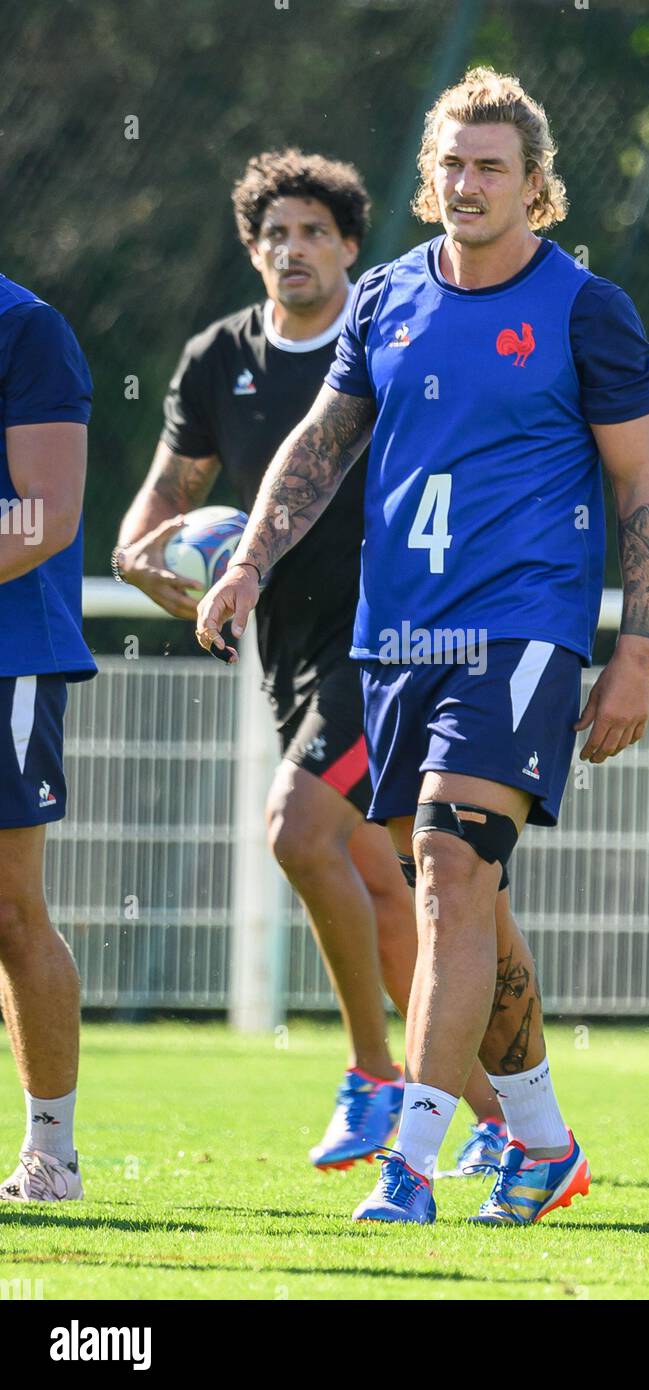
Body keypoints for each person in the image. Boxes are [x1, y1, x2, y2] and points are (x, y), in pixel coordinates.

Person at [196, 68, 649, 1226]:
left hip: (521, 631)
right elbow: (321, 442)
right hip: (394, 640)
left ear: (535, 185)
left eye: (491, 166)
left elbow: (640, 483)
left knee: (452, 875)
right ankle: (544, 1138)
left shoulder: (583, 308)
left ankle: (412, 1161)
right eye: (450, 164)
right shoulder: (387, 301)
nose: (466, 184)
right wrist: (250, 560)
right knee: (457, 893)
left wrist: (635, 651)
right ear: (428, 178)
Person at [115, 148, 506, 1173]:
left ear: (346, 246)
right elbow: (164, 496)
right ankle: (509, 1120)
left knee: (293, 829)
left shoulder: (382, 337)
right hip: (285, 652)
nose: (291, 250)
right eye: (272, 235)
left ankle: (372, 1072)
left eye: (311, 233)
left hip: (386, 642)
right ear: (252, 251)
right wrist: (136, 553)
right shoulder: (216, 358)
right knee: (385, 895)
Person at [0, 275, 96, 1201]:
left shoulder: (26, 329)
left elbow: (45, 513)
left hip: (9, 654)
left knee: (9, 911)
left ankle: (51, 1155)